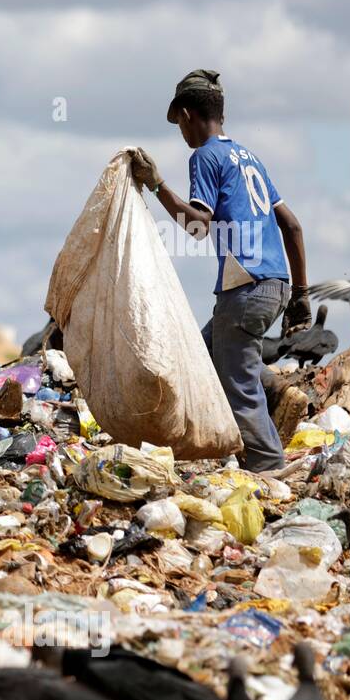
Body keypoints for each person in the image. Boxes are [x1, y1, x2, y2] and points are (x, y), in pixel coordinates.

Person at [130, 69, 311, 473]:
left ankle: (269, 469)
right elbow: (293, 226)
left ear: (188, 115)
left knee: (238, 386)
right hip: (276, 285)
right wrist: (300, 294)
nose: (182, 134)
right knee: (207, 354)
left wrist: (157, 186)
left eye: (179, 125)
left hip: (243, 289)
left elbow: (197, 226)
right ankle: (279, 393)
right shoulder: (250, 158)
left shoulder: (205, 157)